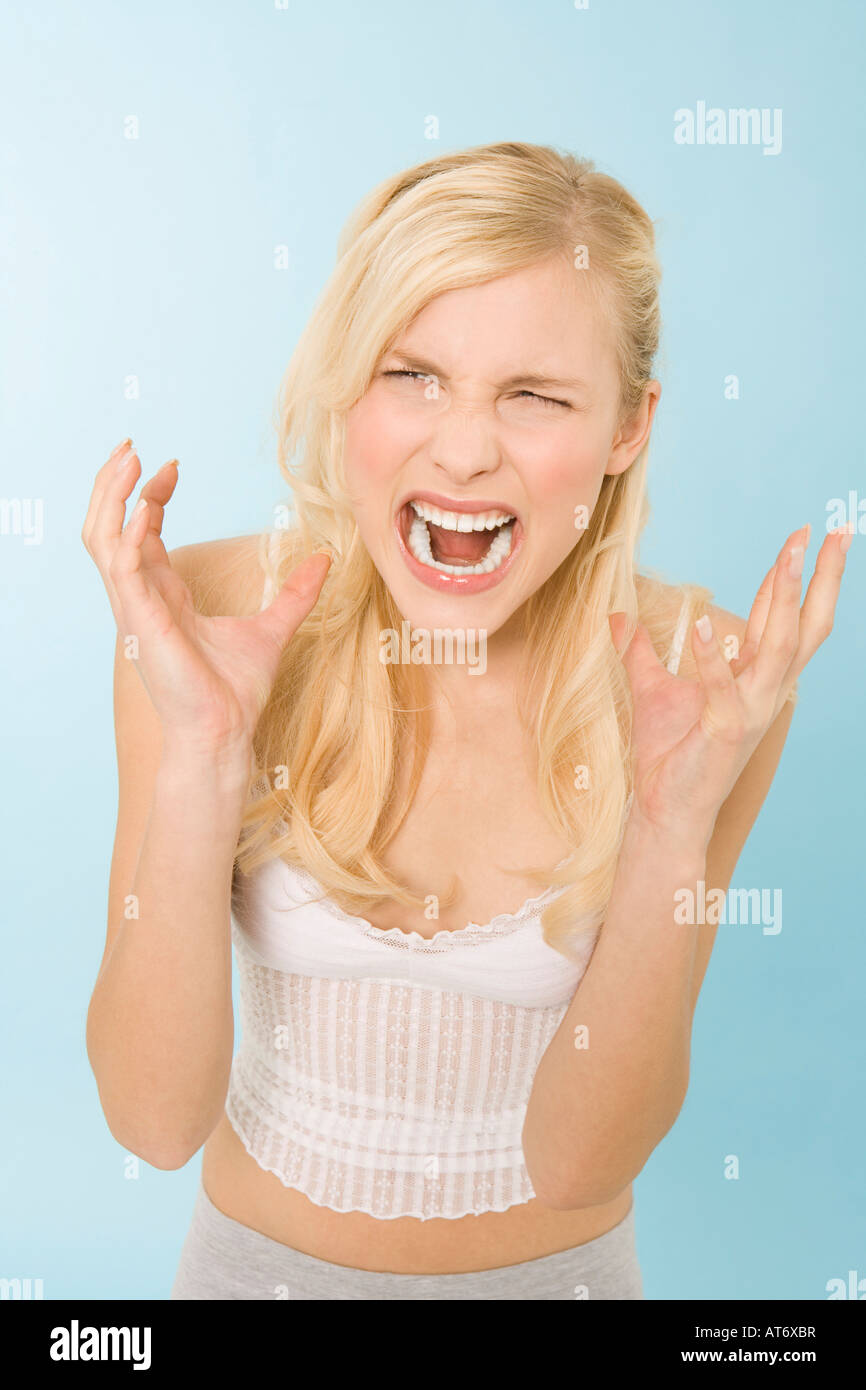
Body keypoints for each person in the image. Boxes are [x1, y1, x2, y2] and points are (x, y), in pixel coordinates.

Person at [82, 142, 850, 1300]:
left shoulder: (704, 680)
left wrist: (667, 823)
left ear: (626, 428)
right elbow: (150, 1118)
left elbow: (580, 1162)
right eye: (413, 375)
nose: (462, 447)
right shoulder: (207, 610)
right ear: (347, 382)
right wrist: (202, 760)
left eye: (534, 396)